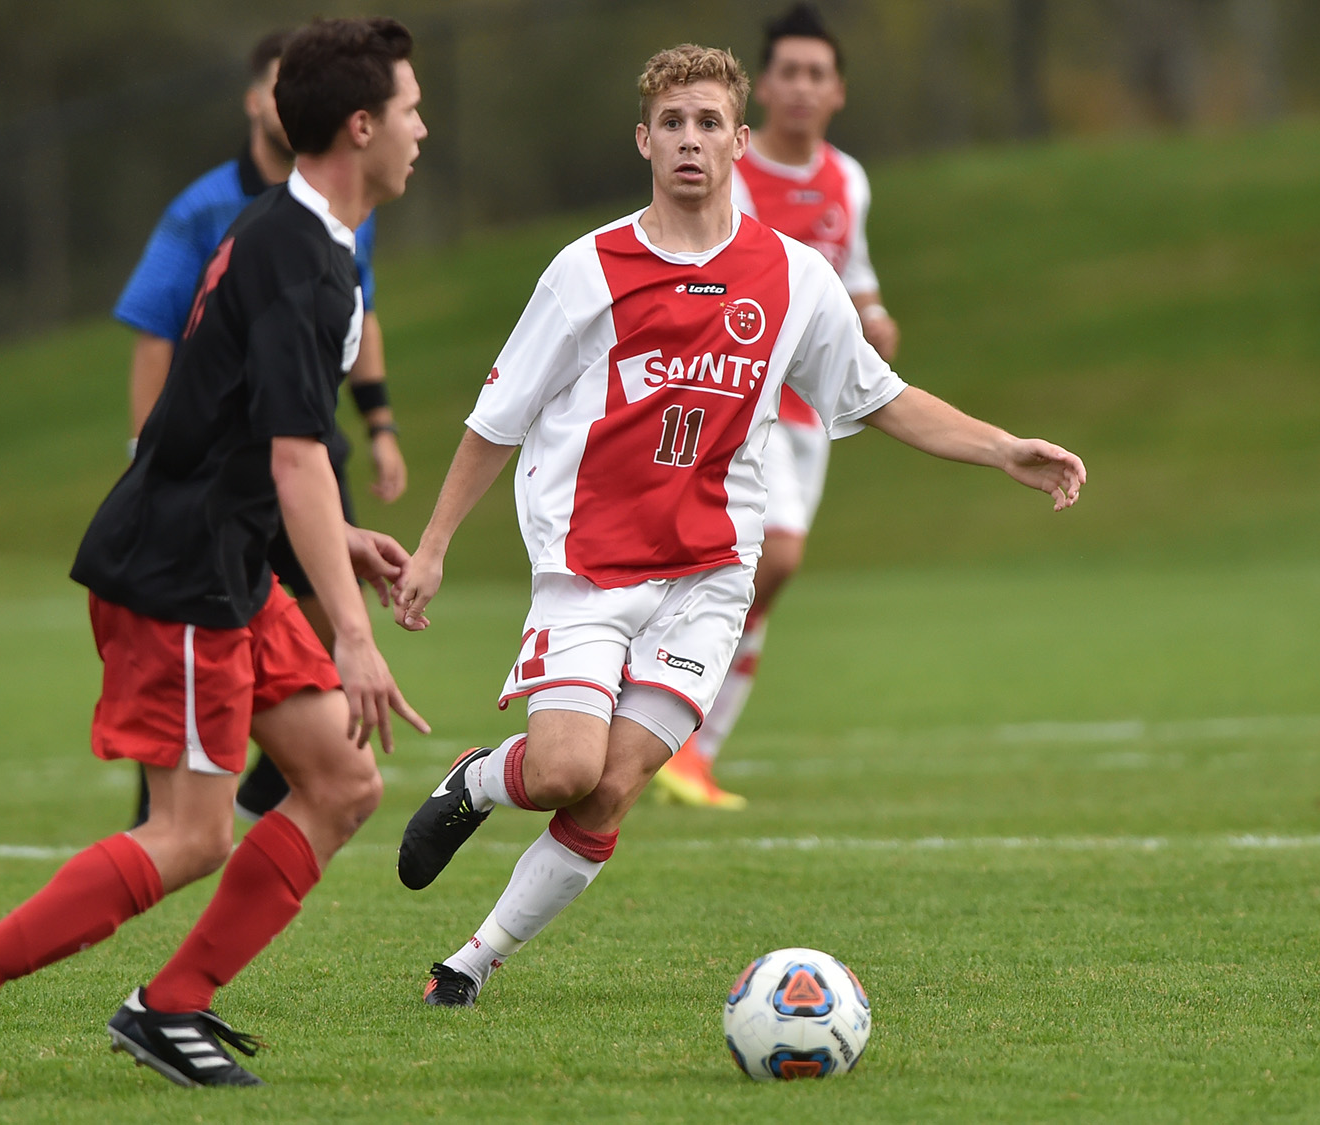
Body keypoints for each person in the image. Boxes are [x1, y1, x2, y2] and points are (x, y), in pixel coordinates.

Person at [389, 44, 1084, 1009]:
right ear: (643, 140)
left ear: (739, 142)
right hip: (590, 568)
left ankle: (472, 962)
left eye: (709, 122)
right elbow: (495, 420)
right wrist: (432, 546)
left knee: (609, 789)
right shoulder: (588, 269)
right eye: (672, 123)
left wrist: (1005, 448)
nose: (690, 140)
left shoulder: (793, 277)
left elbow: (881, 397)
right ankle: (477, 781)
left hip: (710, 579)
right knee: (560, 769)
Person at [0, 19, 430, 1099]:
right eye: (413, 110)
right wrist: (355, 636)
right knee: (188, 834)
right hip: (180, 574)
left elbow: (256, 442)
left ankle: (172, 1006)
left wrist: (334, 536)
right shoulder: (298, 259)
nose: (425, 130)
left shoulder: (313, 242)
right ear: (361, 127)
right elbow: (288, 457)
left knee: (339, 780)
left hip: (228, 556)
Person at [114, 27, 409, 828]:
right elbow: (153, 331)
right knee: (265, 636)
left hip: (306, 449)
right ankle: (172, 815)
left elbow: (362, 314)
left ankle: (256, 800)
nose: (417, 130)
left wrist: (380, 425)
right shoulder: (215, 210)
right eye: (410, 111)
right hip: (237, 466)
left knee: (318, 647)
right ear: (261, 101)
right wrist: (150, 460)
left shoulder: (352, 203)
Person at [653, 2, 892, 810]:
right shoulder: (733, 173)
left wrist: (875, 318)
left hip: (812, 414)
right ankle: (674, 735)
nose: (800, 86)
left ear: (838, 92)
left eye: (815, 74)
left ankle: (690, 749)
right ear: (764, 91)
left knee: (752, 579)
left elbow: (851, 276)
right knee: (774, 558)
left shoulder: (846, 180)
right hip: (738, 403)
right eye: (786, 71)